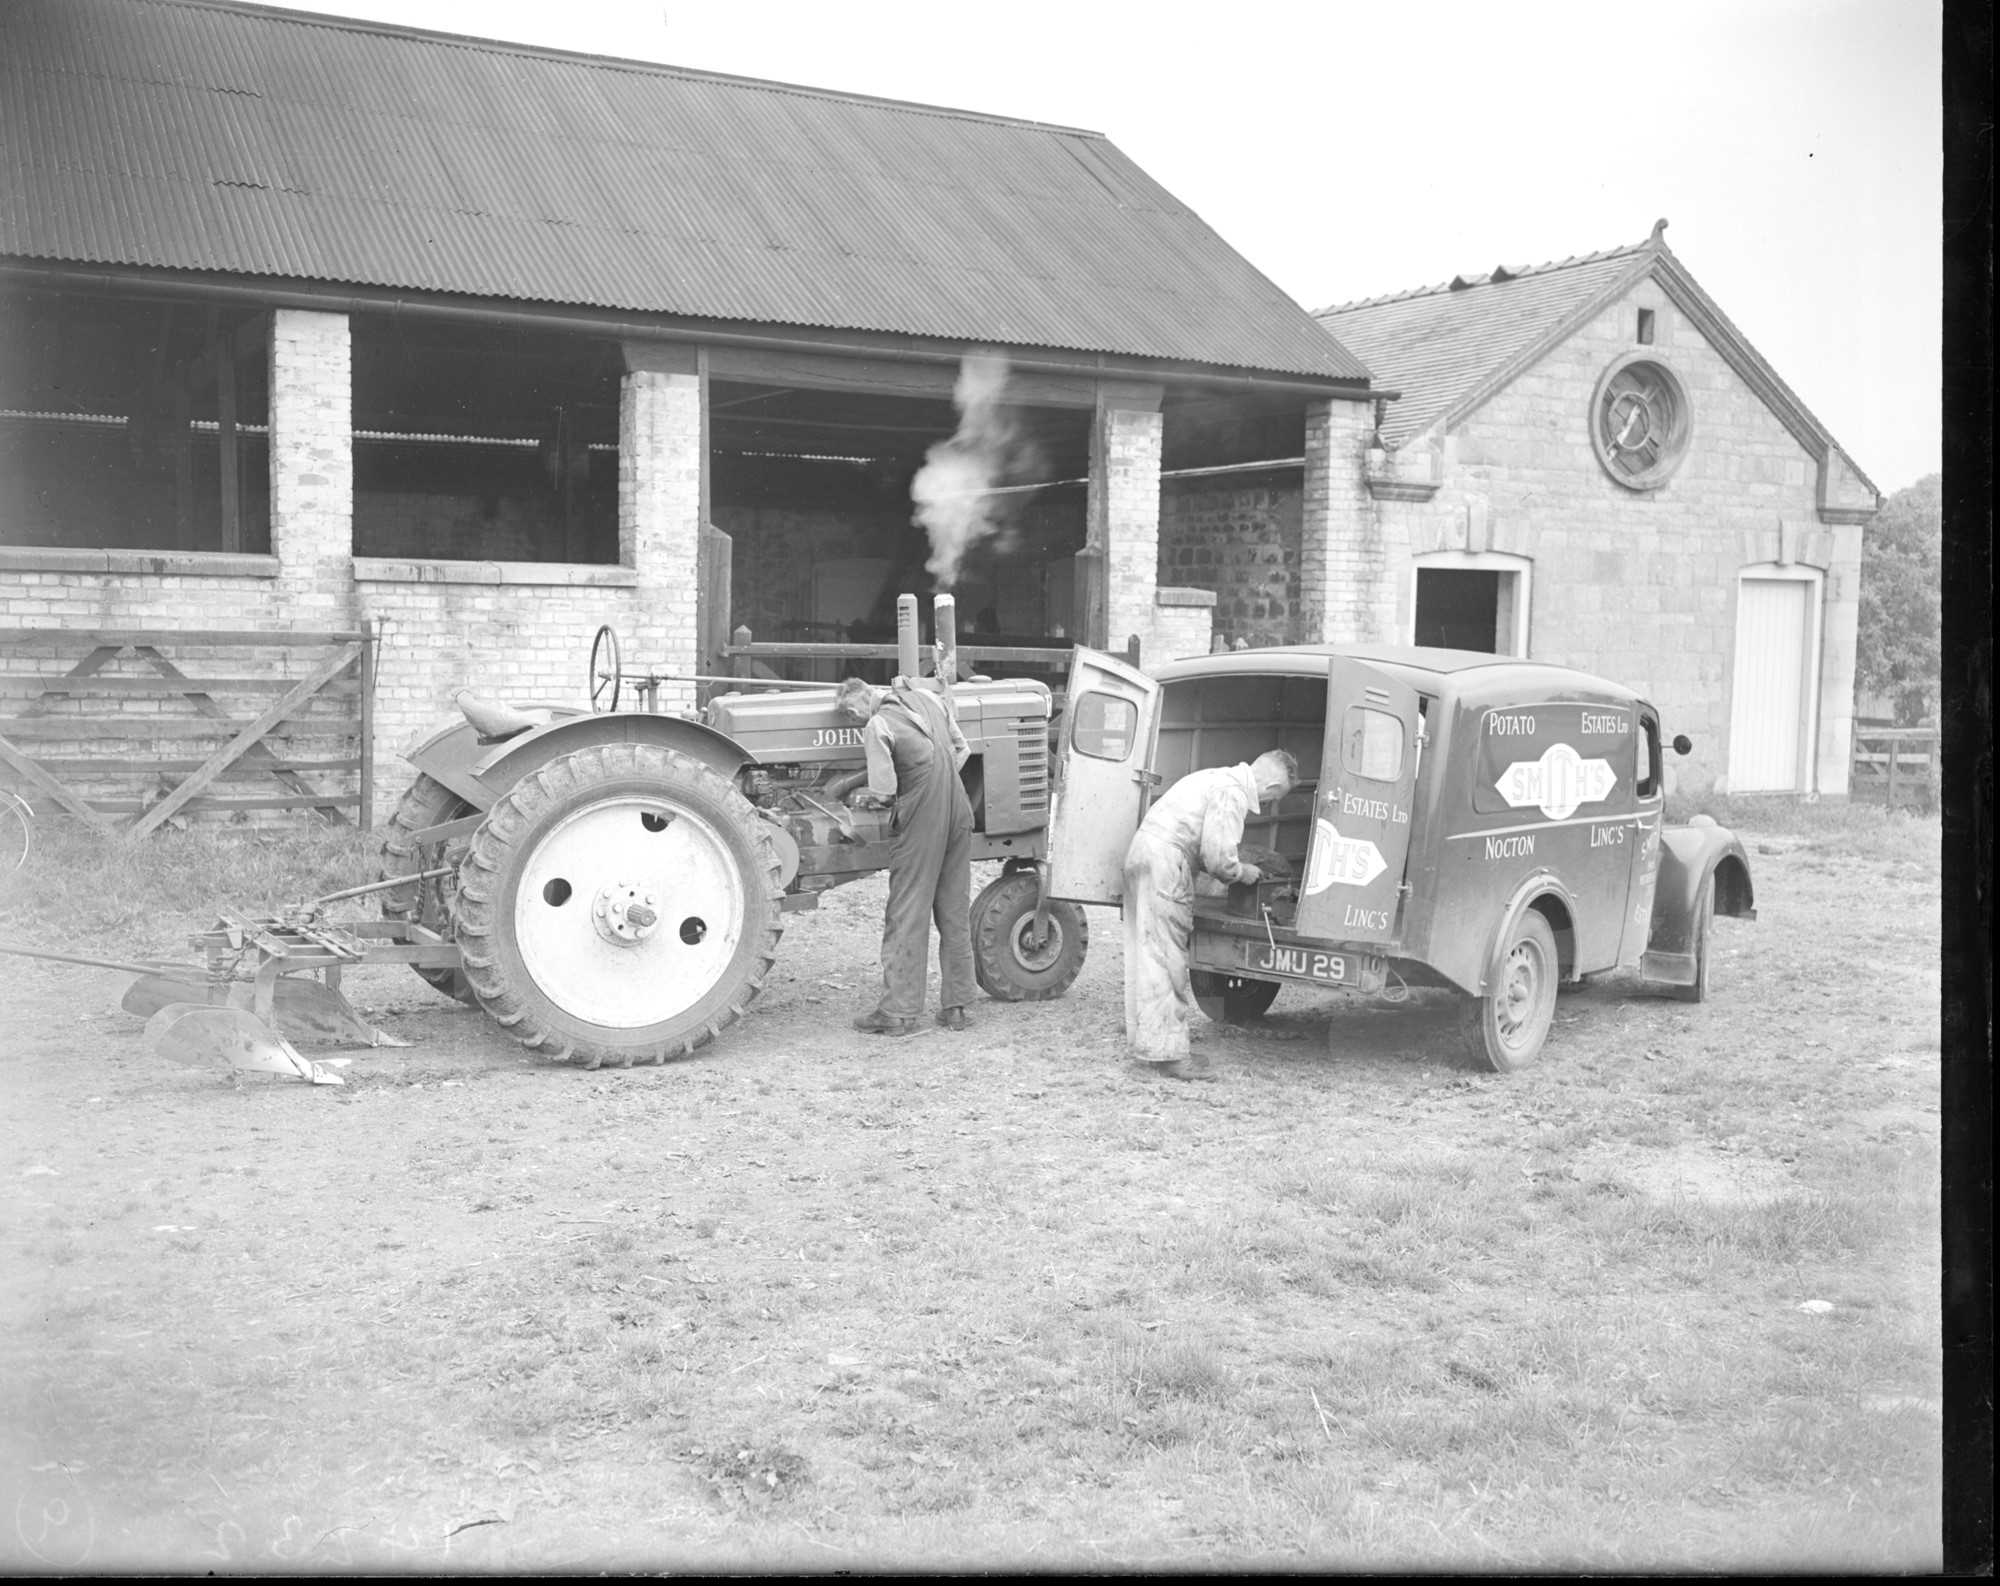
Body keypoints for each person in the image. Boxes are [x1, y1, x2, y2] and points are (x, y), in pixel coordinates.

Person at [1122, 749, 1298, 1073]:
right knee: (1167, 959)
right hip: (1166, 862)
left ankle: (1145, 1042)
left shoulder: (1213, 776)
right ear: (1272, 786)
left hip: (1142, 853)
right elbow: (1218, 858)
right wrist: (1242, 872)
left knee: (1145, 953)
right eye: (1275, 798)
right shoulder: (1232, 791)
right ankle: (1170, 1057)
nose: (1270, 803)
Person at [834, 675, 977, 1035]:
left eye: (851, 715)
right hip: (959, 810)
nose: (854, 721)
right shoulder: (930, 699)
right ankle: (958, 1008)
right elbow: (962, 750)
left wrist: (862, 795)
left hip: (923, 817)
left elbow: (884, 791)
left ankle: (898, 1013)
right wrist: (939, 782)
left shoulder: (878, 724)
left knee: (907, 911)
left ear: (858, 704)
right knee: (954, 910)